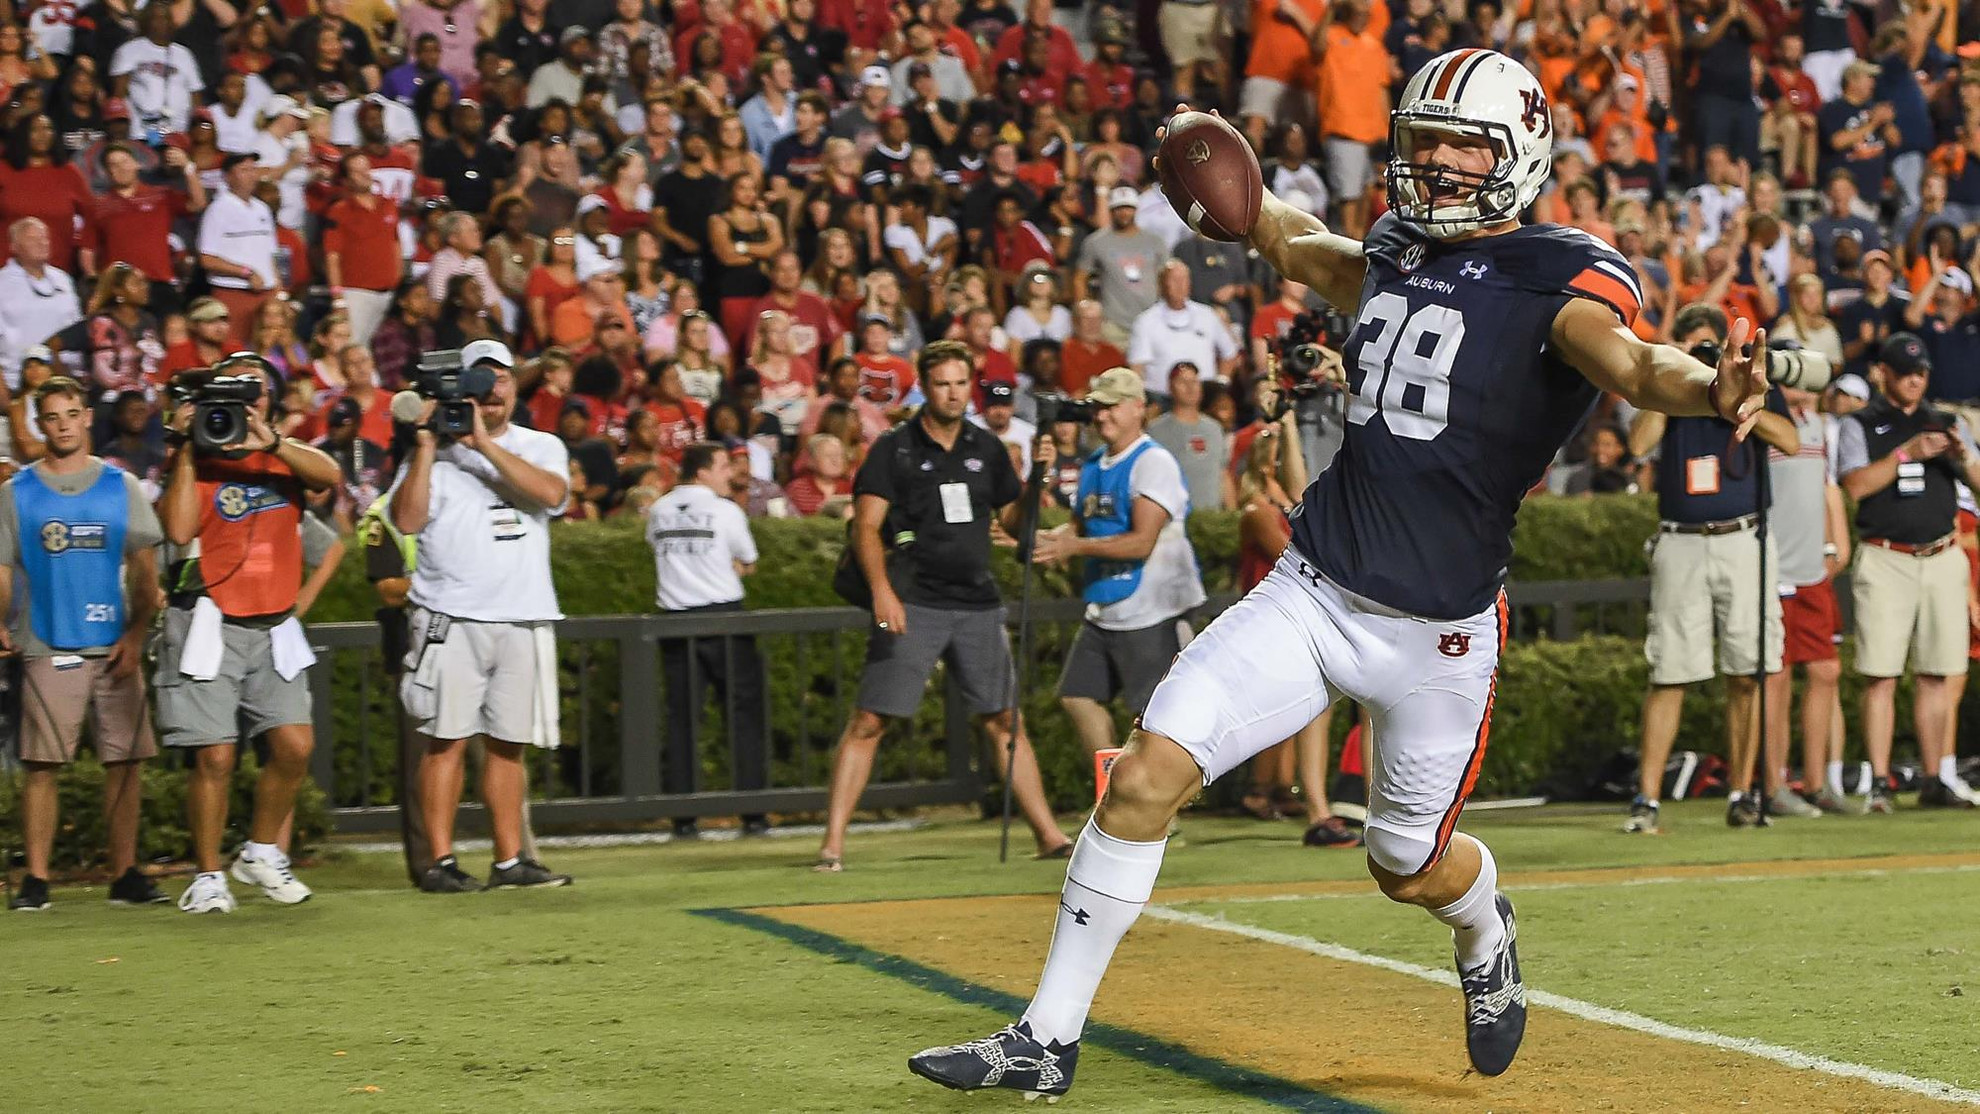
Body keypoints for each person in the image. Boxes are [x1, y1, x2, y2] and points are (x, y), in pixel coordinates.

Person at [910, 51, 1774, 1096]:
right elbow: (1302, 244)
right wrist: (1225, 175)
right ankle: (1045, 1039)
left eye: (1466, 144)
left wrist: (1708, 387)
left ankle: (1482, 918)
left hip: (1438, 636)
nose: (1441, 163)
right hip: (1312, 590)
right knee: (1142, 778)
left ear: (1520, 154)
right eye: (1428, 140)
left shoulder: (1563, 272)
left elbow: (1634, 363)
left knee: (1405, 867)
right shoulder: (1400, 245)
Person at [814, 341, 1071, 872]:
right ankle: (832, 844)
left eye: (960, 383)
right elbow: (863, 526)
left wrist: (1036, 482)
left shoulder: (988, 446)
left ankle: (1048, 834)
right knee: (869, 720)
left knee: (1004, 720)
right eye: (942, 384)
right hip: (915, 598)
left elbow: (1015, 524)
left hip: (977, 600)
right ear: (924, 388)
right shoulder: (895, 448)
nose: (953, 393)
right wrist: (882, 591)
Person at [389, 339, 575, 893]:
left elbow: (551, 494)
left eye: (500, 380)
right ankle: (439, 863)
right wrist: (426, 446)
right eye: (480, 380)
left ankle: (509, 859)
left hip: (523, 613)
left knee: (508, 743)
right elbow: (406, 519)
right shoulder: (433, 452)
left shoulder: (541, 445)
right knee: (445, 740)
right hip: (451, 613)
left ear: (515, 385)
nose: (491, 392)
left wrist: (483, 445)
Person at [157, 354, 341, 914]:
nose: (243, 401)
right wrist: (189, 447)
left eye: (254, 390)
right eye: (233, 390)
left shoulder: (284, 454)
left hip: (273, 622)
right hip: (209, 617)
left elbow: (330, 478)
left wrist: (274, 440)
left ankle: (261, 852)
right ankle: (208, 875)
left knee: (294, 746)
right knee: (214, 756)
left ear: (269, 400)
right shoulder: (198, 455)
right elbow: (179, 529)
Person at [1621, 304, 1798, 834]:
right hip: (1681, 543)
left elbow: (1790, 440)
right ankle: (1647, 799)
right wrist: (1674, 372)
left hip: (1743, 538)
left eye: (1708, 348)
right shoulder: (1668, 389)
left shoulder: (1750, 383)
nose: (1701, 357)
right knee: (1670, 670)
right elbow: (1638, 443)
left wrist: (1738, 397)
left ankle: (1743, 793)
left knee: (1748, 671)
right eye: (1691, 346)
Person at [0, 376, 166, 912]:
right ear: (38, 424)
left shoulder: (123, 486)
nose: (64, 424)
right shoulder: (15, 492)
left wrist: (136, 635)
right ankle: (37, 880)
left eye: (72, 413)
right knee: (41, 764)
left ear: (88, 416)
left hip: (115, 641)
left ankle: (125, 874)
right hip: (47, 638)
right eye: (52, 417)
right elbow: (1, 568)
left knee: (126, 761)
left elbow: (145, 572)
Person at [1837, 333, 1980, 811]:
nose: (1915, 381)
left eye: (1920, 373)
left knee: (1938, 674)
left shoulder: (1946, 421)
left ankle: (1937, 775)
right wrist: (1907, 455)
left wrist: (1961, 456)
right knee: (1880, 674)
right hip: (1885, 556)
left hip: (1941, 555)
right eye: (1905, 373)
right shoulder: (1862, 423)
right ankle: (1878, 781)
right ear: (1884, 374)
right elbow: (1854, 486)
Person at [1031, 367, 1206, 756]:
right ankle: (1112, 786)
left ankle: (1155, 805)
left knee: (1152, 718)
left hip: (1153, 607)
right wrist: (1035, 539)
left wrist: (1072, 548)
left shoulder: (1152, 462)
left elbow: (1140, 542)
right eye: (1097, 407)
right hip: (1107, 606)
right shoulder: (1095, 463)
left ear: (1138, 408)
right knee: (1077, 695)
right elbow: (1078, 527)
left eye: (1112, 407)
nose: (1101, 415)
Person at [646, 442, 769, 838]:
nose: (728, 474)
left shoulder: (660, 509)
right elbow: (748, 560)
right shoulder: (725, 510)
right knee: (744, 716)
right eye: (721, 466)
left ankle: (684, 819)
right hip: (724, 618)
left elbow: (655, 549)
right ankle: (754, 814)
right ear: (701, 472)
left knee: (682, 720)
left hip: (676, 621)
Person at [1764, 377, 1854, 815]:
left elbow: (1827, 485)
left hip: (1813, 570)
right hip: (1773, 570)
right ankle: (1774, 784)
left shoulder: (1822, 426)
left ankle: (1817, 782)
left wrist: (1837, 541)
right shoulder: (1760, 422)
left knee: (1825, 671)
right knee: (1775, 680)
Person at [196, 153, 278, 346]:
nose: (251, 175)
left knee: (266, 349)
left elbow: (271, 255)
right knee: (233, 348)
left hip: (265, 295)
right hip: (233, 294)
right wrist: (246, 273)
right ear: (227, 176)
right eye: (244, 170)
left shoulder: (262, 209)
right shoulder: (218, 209)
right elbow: (207, 258)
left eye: (253, 169)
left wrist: (278, 289)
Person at [1146, 360, 1236, 512]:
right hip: (1174, 521)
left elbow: (1223, 474)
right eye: (1182, 381)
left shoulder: (1214, 429)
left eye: (1194, 381)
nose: (1190, 387)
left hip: (1211, 519)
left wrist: (1232, 514)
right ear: (1170, 387)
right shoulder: (1155, 430)